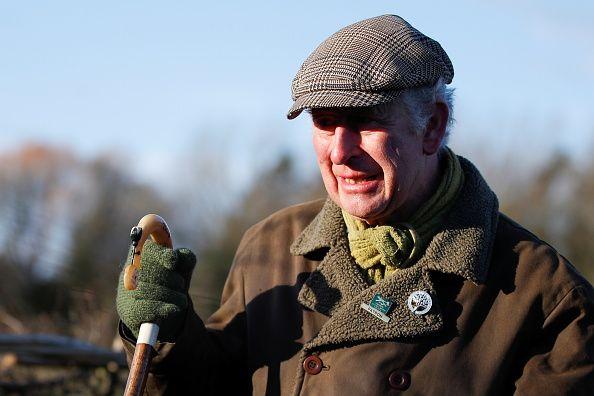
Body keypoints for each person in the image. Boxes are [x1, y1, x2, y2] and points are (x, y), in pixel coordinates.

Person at [116, 15, 594, 395]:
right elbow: (219, 385)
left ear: (431, 126)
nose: (340, 152)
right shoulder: (271, 247)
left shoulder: (547, 299)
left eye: (364, 121)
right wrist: (170, 336)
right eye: (324, 123)